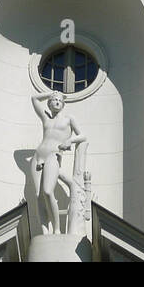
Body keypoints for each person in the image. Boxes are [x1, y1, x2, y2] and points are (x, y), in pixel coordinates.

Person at [29, 90, 85, 234]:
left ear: (63, 104)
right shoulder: (46, 118)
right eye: (54, 100)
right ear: (49, 102)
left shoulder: (68, 119)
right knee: (38, 196)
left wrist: (69, 140)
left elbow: (82, 136)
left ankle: (57, 229)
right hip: (38, 156)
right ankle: (44, 231)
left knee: (47, 191)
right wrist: (51, 93)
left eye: (60, 100)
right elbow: (34, 98)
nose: (57, 102)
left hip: (53, 155)